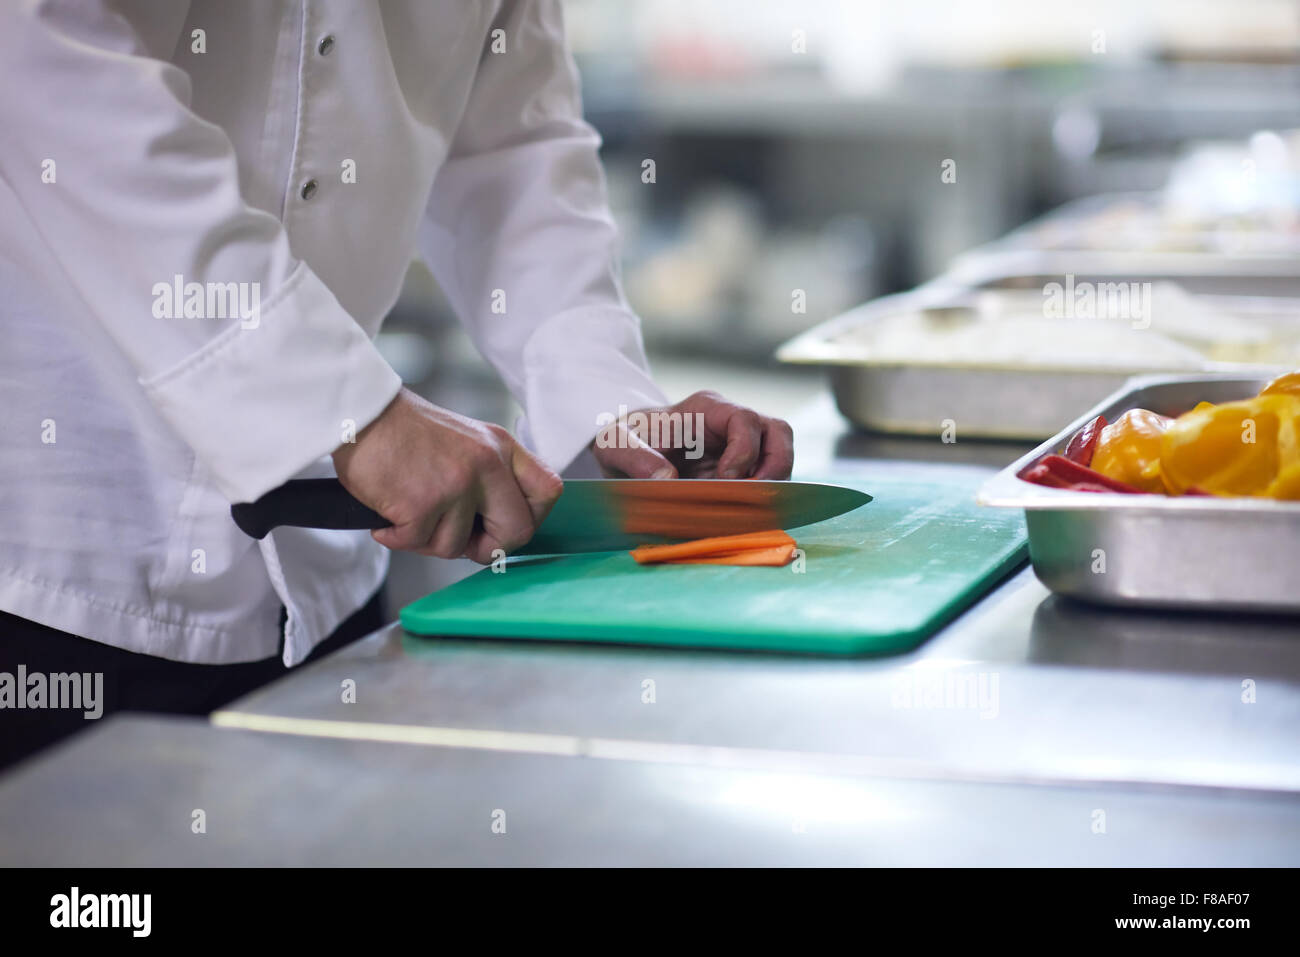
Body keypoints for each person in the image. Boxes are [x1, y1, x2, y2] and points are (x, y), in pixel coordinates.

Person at [0, 0, 794, 767]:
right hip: (52, 578)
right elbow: (46, 69)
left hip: (329, 596)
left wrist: (606, 405)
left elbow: (515, 151)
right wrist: (346, 409)